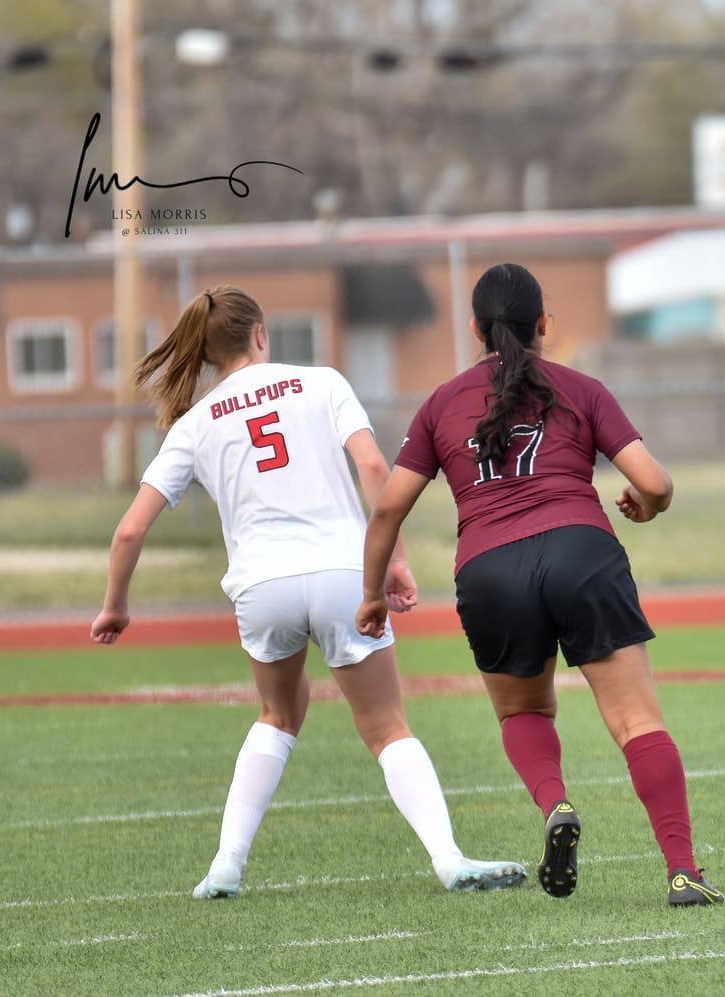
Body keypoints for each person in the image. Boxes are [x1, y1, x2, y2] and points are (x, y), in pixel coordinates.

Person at [90, 285, 526, 898]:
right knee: (384, 725)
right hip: (343, 575)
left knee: (276, 716)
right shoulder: (321, 382)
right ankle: (448, 858)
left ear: (209, 351)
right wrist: (394, 560)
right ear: (261, 335)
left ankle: (226, 866)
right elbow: (376, 468)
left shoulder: (193, 425)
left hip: (261, 587)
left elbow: (130, 528)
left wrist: (115, 605)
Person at [355, 262, 725, 907]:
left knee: (524, 710)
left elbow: (388, 508)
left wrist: (370, 594)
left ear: (474, 327)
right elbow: (657, 482)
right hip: (581, 551)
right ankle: (682, 872)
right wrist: (648, 505)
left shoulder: (441, 402)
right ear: (545, 325)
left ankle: (556, 806)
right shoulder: (580, 387)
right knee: (636, 719)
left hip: (490, 568)